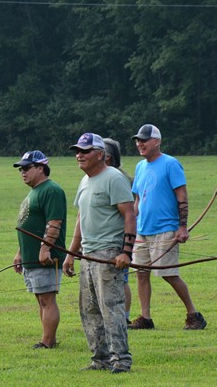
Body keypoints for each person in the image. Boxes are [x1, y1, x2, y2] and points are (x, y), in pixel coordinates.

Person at [61, 133, 136, 373]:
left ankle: (121, 360)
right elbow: (81, 220)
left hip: (108, 253)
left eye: (85, 151)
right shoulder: (85, 181)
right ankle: (100, 359)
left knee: (111, 307)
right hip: (88, 254)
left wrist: (126, 252)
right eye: (77, 151)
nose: (79, 155)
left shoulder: (113, 178)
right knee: (89, 309)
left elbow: (129, 215)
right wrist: (71, 254)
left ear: (101, 154)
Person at [128, 124, 206, 330]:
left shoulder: (171, 164)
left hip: (165, 229)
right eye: (138, 140)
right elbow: (137, 200)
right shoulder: (140, 166)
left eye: (144, 140)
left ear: (157, 141)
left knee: (168, 273)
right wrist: (132, 226)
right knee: (141, 273)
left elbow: (182, 196)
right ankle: (146, 318)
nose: (140, 143)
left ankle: (194, 314)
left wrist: (182, 227)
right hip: (143, 231)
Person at [12, 150, 66, 349]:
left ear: (41, 168)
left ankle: (48, 341)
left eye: (27, 168)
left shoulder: (51, 190)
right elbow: (29, 225)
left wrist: (45, 249)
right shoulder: (34, 191)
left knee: (47, 298)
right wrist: (20, 253)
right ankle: (46, 338)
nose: (23, 172)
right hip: (30, 256)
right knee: (40, 299)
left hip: (46, 257)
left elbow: (54, 223)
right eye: (21, 169)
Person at [103, 137, 134, 325]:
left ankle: (125, 317)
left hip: (118, 239)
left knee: (121, 280)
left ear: (107, 157)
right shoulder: (100, 176)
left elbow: (131, 213)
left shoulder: (119, 178)